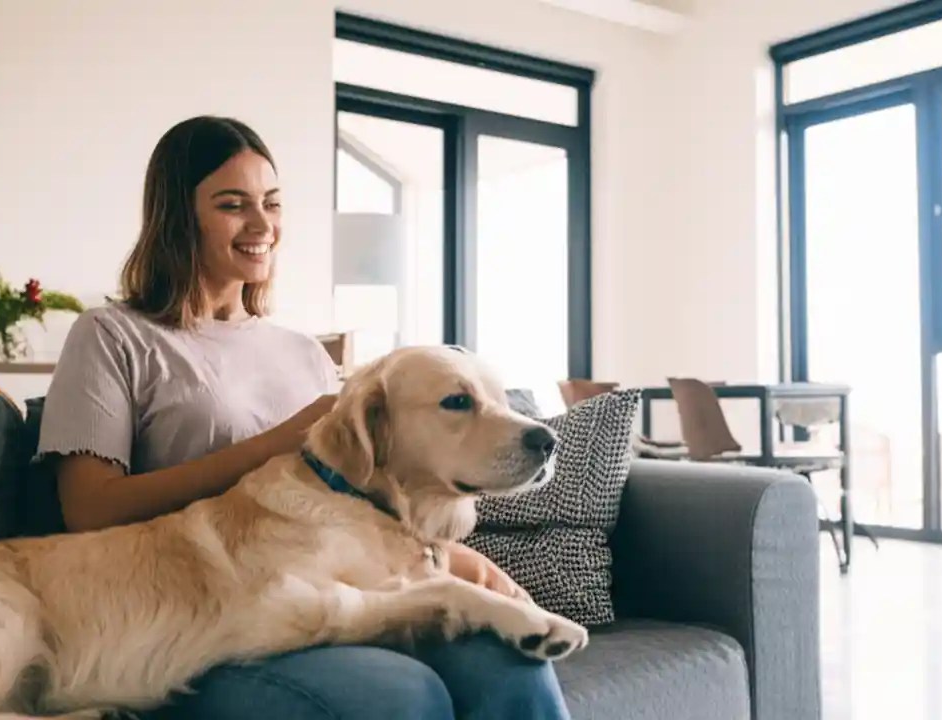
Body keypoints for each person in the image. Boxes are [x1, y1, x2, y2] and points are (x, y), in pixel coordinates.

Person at [34, 115, 572, 720]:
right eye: (233, 205)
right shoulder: (113, 336)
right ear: (179, 217)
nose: (262, 225)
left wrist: (457, 562)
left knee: (513, 670)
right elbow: (88, 510)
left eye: (272, 202)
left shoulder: (304, 353)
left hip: (342, 591)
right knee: (400, 694)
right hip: (210, 616)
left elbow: (359, 507)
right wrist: (277, 443)